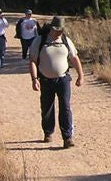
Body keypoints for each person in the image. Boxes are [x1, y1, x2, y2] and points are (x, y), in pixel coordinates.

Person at [28, 16, 84, 148]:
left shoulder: (66, 40)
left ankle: (68, 137)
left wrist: (81, 75)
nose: (59, 33)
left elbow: (74, 58)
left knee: (65, 107)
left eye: (61, 30)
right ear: (51, 28)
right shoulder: (40, 40)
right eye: (56, 30)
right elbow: (32, 61)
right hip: (46, 80)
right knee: (47, 107)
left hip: (63, 79)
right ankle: (48, 132)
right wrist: (34, 79)